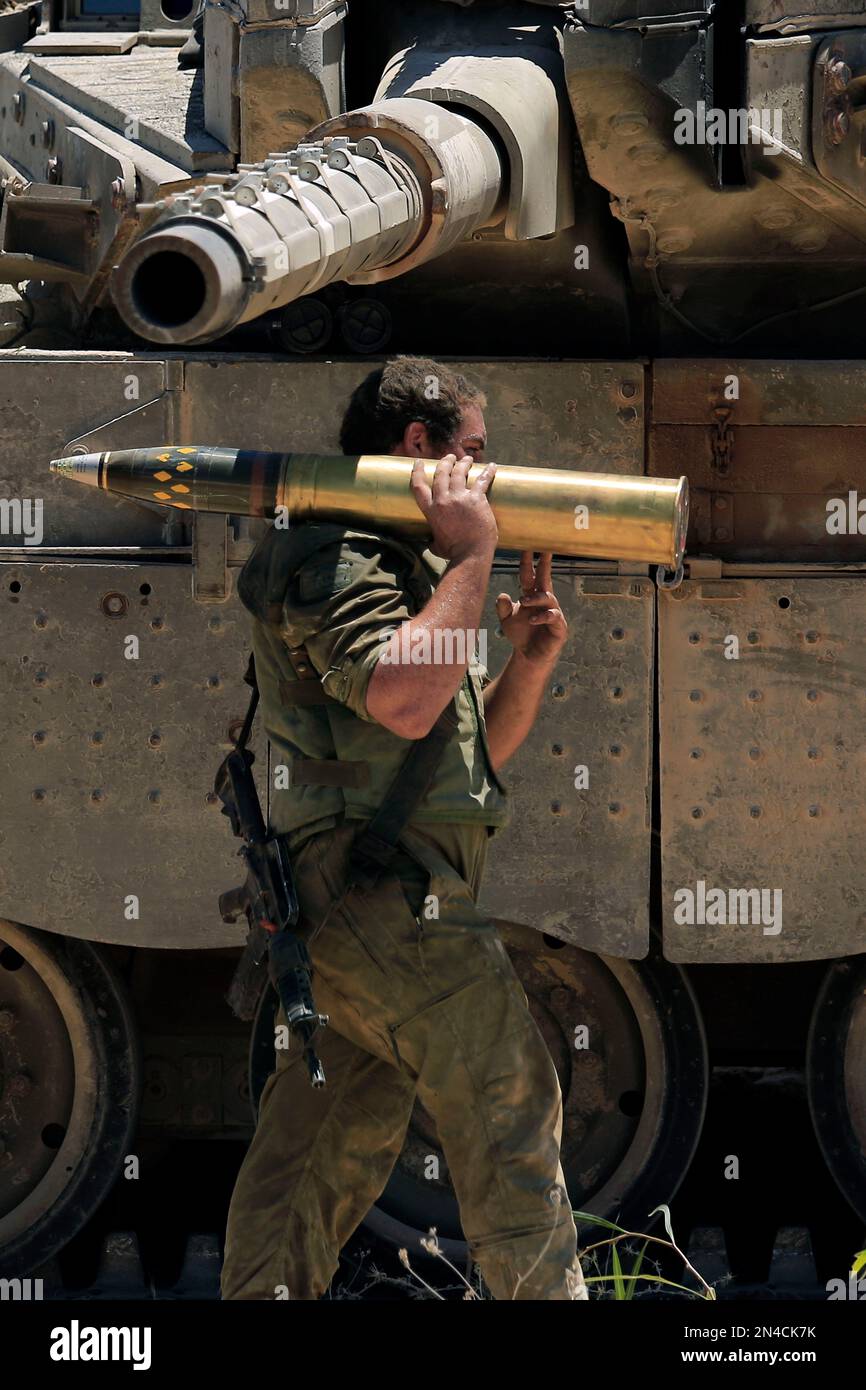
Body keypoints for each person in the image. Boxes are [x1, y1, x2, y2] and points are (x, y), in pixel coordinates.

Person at [220, 355, 588, 1300]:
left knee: (319, 1154)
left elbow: (464, 763)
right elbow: (403, 700)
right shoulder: (342, 553)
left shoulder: (401, 567)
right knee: (510, 1099)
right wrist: (471, 558)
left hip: (377, 901)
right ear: (417, 446)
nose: (486, 472)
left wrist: (531, 663)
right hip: (383, 903)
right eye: (471, 451)